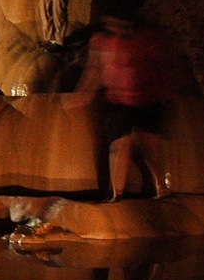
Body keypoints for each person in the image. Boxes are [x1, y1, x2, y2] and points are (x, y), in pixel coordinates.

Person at [73, 12, 172, 201]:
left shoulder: (147, 38)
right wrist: (84, 93)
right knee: (119, 145)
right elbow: (94, 70)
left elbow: (160, 66)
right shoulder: (100, 41)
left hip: (147, 98)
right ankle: (116, 193)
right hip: (117, 99)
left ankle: (161, 186)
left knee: (149, 145)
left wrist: (164, 92)